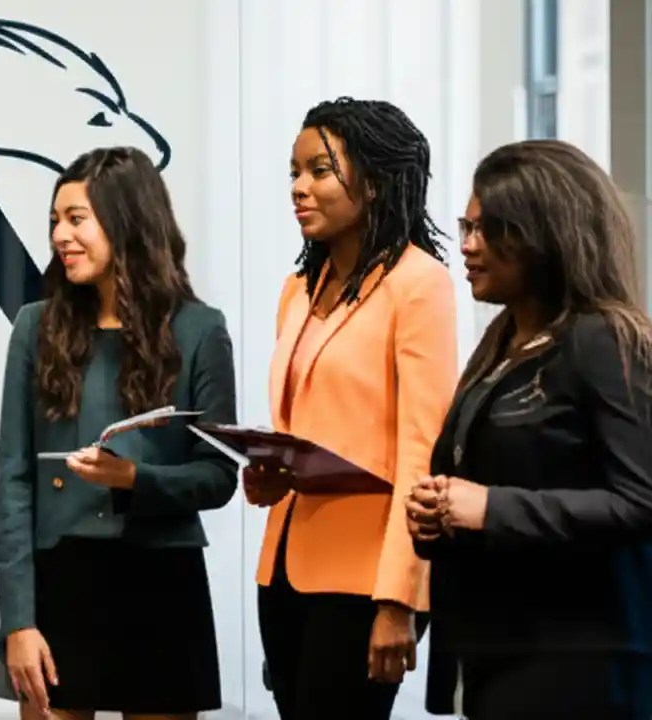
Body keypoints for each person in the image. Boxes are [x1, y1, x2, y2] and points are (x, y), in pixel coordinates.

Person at [0, 146, 239, 720]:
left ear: (127, 221)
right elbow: (13, 483)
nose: (60, 235)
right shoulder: (36, 325)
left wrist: (135, 479)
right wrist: (17, 622)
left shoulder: (200, 329)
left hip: (162, 582)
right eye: (55, 219)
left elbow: (219, 475)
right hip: (62, 582)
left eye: (77, 219)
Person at [407, 140, 652, 719]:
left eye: (489, 229)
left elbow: (640, 501)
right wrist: (437, 515)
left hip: (583, 658)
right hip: (498, 647)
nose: (468, 245)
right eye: (466, 226)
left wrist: (491, 507)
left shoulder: (603, 341)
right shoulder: (500, 344)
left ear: (545, 233)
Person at [245, 97, 458, 719]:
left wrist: (400, 597)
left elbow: (424, 448)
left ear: (375, 181)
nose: (299, 188)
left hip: (366, 581)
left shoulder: (419, 284)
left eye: (319, 170)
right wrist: (265, 473)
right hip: (283, 570)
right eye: (293, 172)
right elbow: (301, 426)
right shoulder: (297, 290)